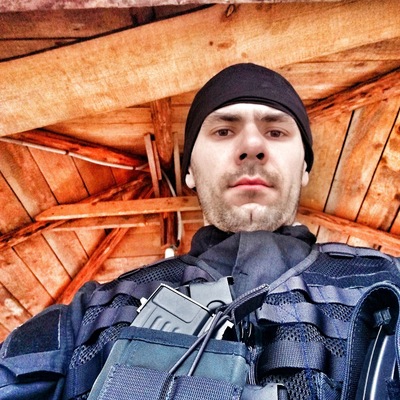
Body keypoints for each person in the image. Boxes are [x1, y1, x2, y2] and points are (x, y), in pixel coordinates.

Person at [0, 63, 399, 400]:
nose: (252, 145)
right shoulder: (88, 315)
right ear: (189, 170)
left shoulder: (388, 282)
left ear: (305, 168)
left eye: (276, 131)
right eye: (224, 131)